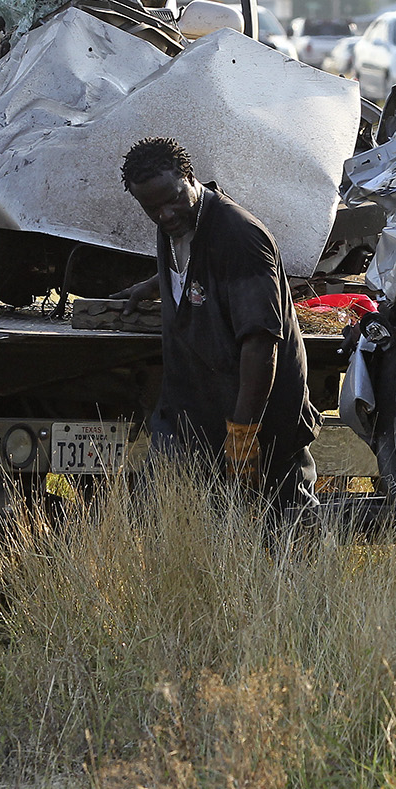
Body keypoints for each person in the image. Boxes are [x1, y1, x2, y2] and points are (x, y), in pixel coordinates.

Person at [117, 137, 318, 510]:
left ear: (189, 177)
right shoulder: (175, 225)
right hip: (191, 415)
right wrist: (154, 285)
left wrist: (244, 434)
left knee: (278, 529)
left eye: (172, 199)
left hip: (258, 420)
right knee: (155, 516)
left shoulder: (239, 237)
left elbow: (261, 343)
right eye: (151, 207)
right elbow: (198, 273)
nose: (164, 215)